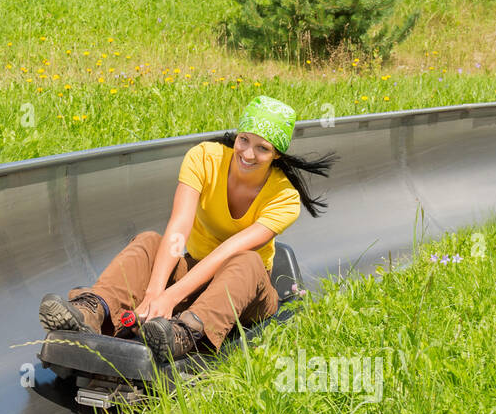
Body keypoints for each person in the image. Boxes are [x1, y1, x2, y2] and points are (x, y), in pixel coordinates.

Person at [38, 95, 337, 362]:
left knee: (246, 260)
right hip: (195, 269)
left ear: (277, 155)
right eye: (244, 140)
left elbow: (228, 251)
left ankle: (182, 334)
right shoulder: (204, 158)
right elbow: (179, 224)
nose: (248, 153)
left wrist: (170, 297)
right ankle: (92, 309)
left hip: (248, 292)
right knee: (150, 241)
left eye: (262, 148)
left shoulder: (284, 197)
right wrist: (155, 291)